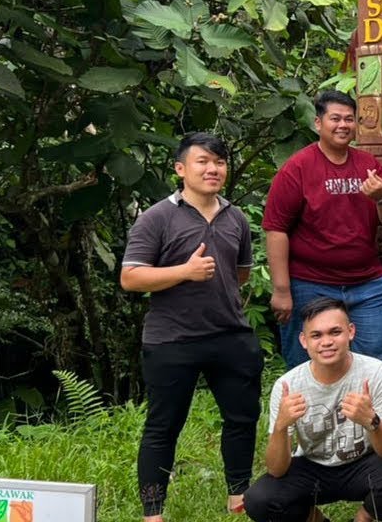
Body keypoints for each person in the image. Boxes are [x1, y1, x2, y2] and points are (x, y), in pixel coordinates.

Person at [120, 133, 264, 520]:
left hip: (229, 333)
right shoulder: (156, 218)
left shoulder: (236, 217)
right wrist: (184, 272)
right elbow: (131, 278)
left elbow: (242, 274)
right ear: (181, 169)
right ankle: (153, 512)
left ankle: (239, 497)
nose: (212, 169)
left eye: (218, 162)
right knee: (163, 426)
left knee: (242, 418)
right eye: (202, 161)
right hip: (172, 339)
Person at [263, 90, 382, 374]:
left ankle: (373, 418)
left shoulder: (368, 165)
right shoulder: (298, 168)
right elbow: (276, 229)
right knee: (307, 366)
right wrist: (281, 290)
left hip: (367, 282)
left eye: (349, 119)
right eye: (335, 118)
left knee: (380, 364)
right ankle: (313, 419)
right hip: (309, 283)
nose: (343, 125)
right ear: (318, 123)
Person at [243, 297, 382, 522]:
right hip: (312, 467)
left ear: (351, 332)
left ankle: (363, 519)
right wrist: (280, 426)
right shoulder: (288, 386)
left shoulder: (376, 373)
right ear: (304, 341)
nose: (326, 342)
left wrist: (371, 421)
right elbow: (277, 470)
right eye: (316, 335)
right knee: (259, 499)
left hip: (362, 464)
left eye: (335, 332)